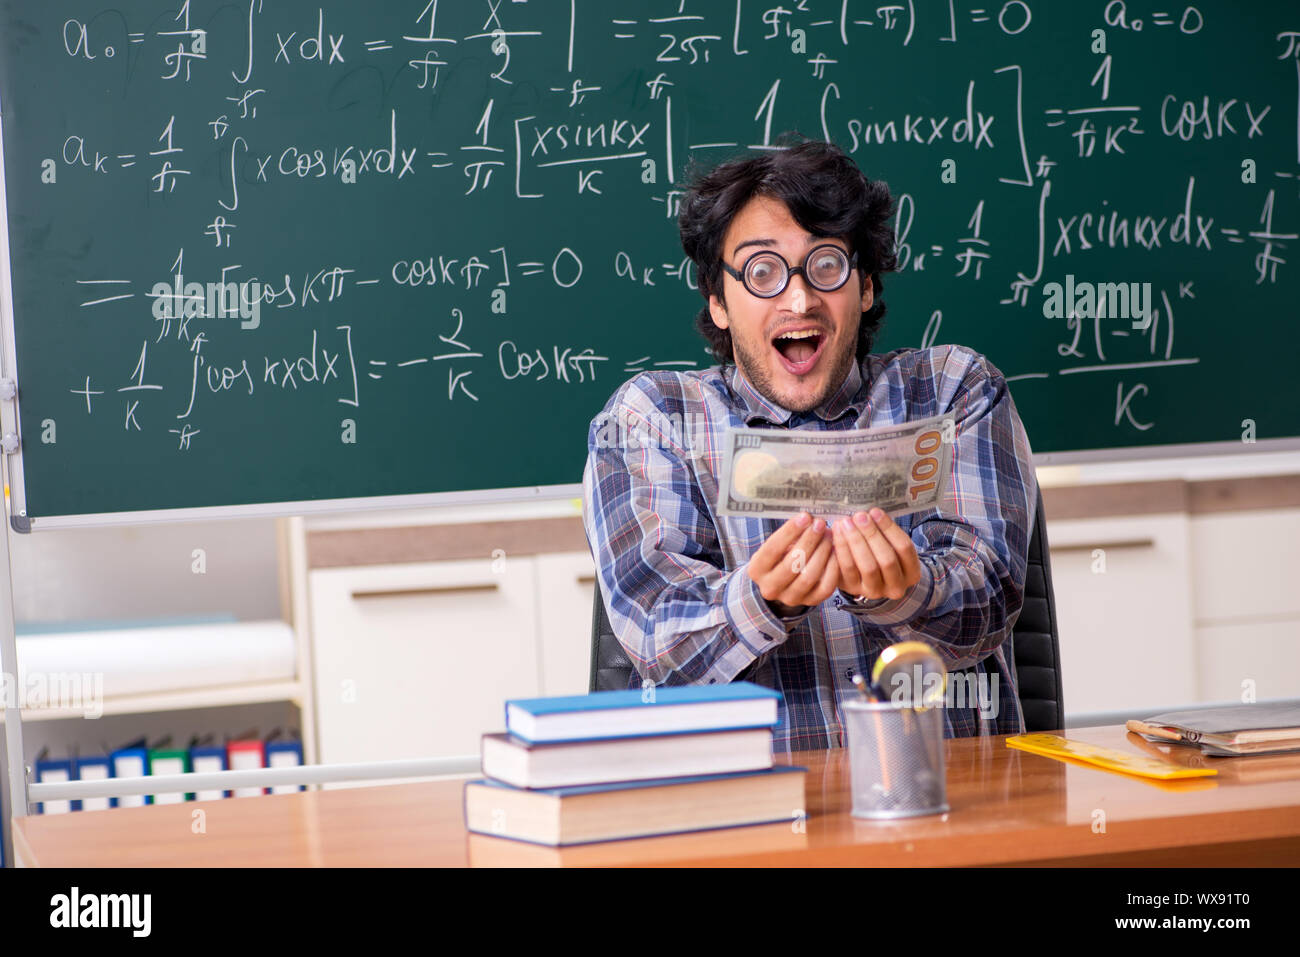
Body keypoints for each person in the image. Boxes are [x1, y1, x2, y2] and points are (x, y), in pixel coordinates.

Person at [582, 139, 1038, 752]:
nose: (799, 300)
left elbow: (990, 603)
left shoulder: (953, 390)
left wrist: (906, 591)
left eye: (826, 265)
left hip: (949, 806)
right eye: (762, 271)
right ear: (719, 301)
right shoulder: (653, 420)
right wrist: (760, 597)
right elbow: (661, 644)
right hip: (750, 818)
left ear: (866, 284)